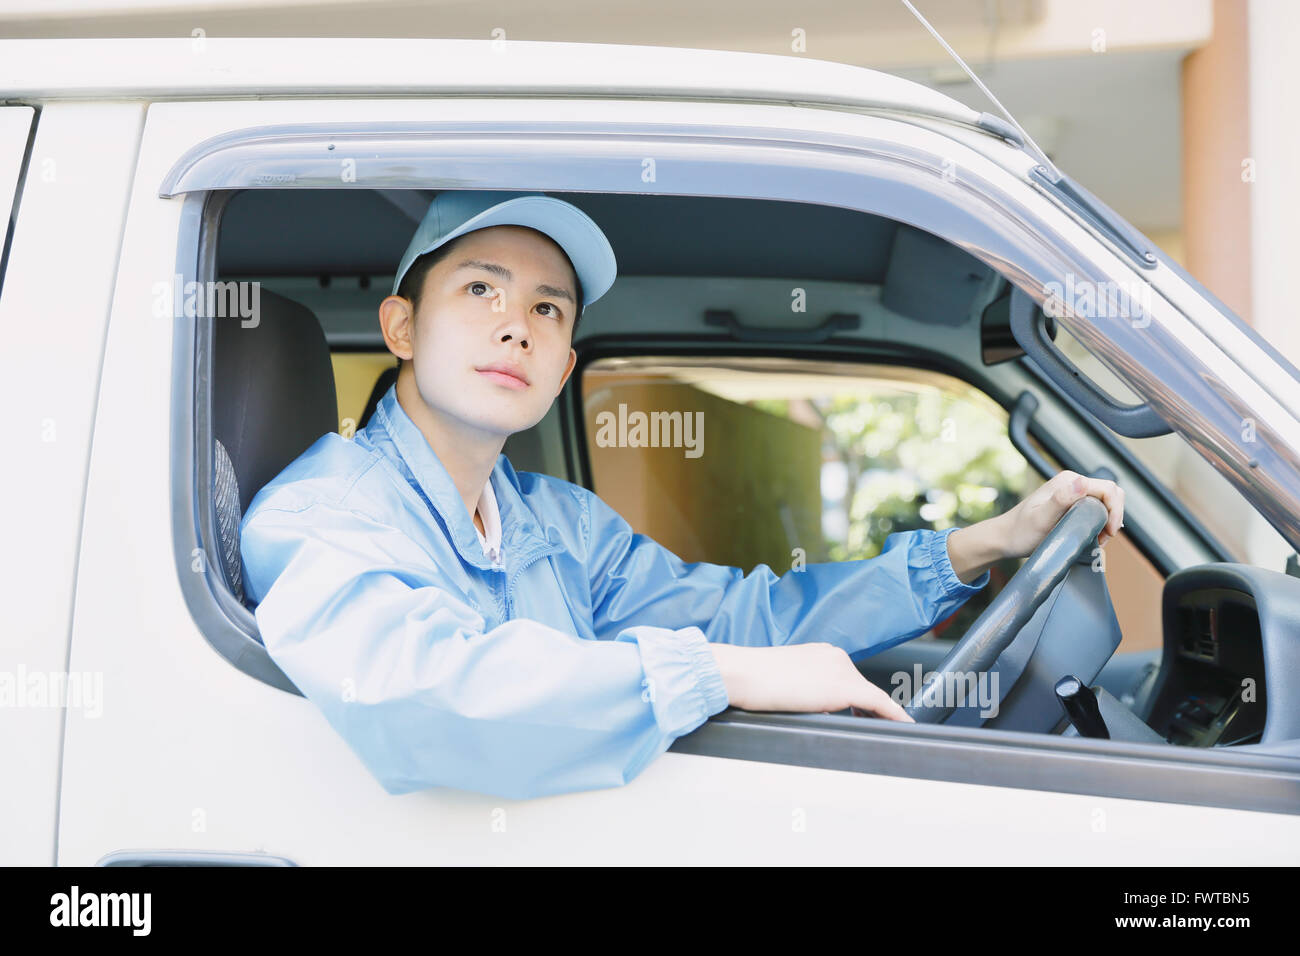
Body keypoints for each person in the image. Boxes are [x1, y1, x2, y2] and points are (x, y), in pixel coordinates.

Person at [239, 190, 1125, 800]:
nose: (517, 324)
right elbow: (425, 696)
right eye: (480, 290)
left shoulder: (558, 521)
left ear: (562, 370)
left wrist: (984, 544)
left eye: (549, 310)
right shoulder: (321, 512)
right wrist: (720, 674)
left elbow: (749, 617)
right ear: (401, 326)